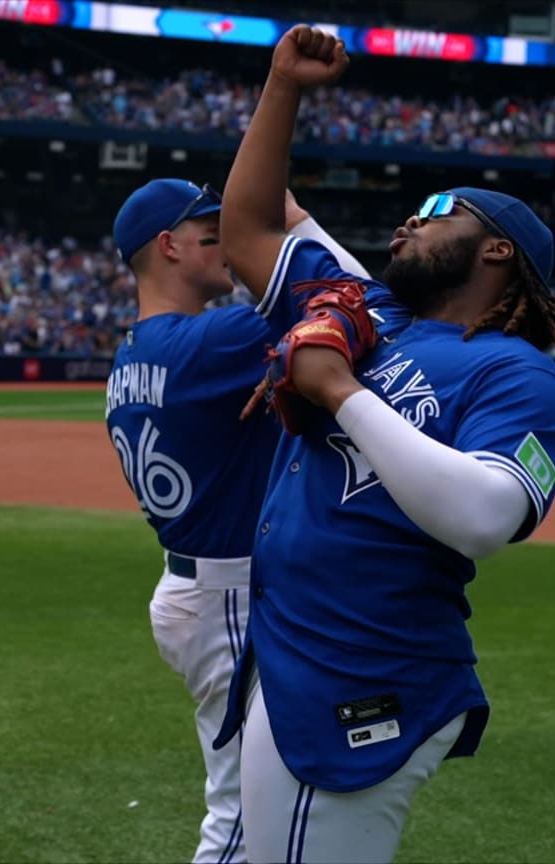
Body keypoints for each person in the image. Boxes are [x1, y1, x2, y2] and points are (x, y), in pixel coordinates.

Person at [210, 26, 555, 863]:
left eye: (440, 210)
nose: (412, 218)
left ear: (498, 249)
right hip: (299, 647)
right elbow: (249, 227)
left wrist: (339, 394)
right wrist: (283, 87)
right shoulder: (374, 311)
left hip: (364, 665)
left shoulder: (514, 373)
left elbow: (488, 514)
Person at [104, 177, 368, 864]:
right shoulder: (211, 342)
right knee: (243, 818)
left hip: (201, 587)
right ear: (170, 246)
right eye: (213, 233)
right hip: (228, 596)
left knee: (256, 803)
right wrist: (297, 221)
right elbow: (360, 299)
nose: (231, 244)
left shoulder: (137, 353)